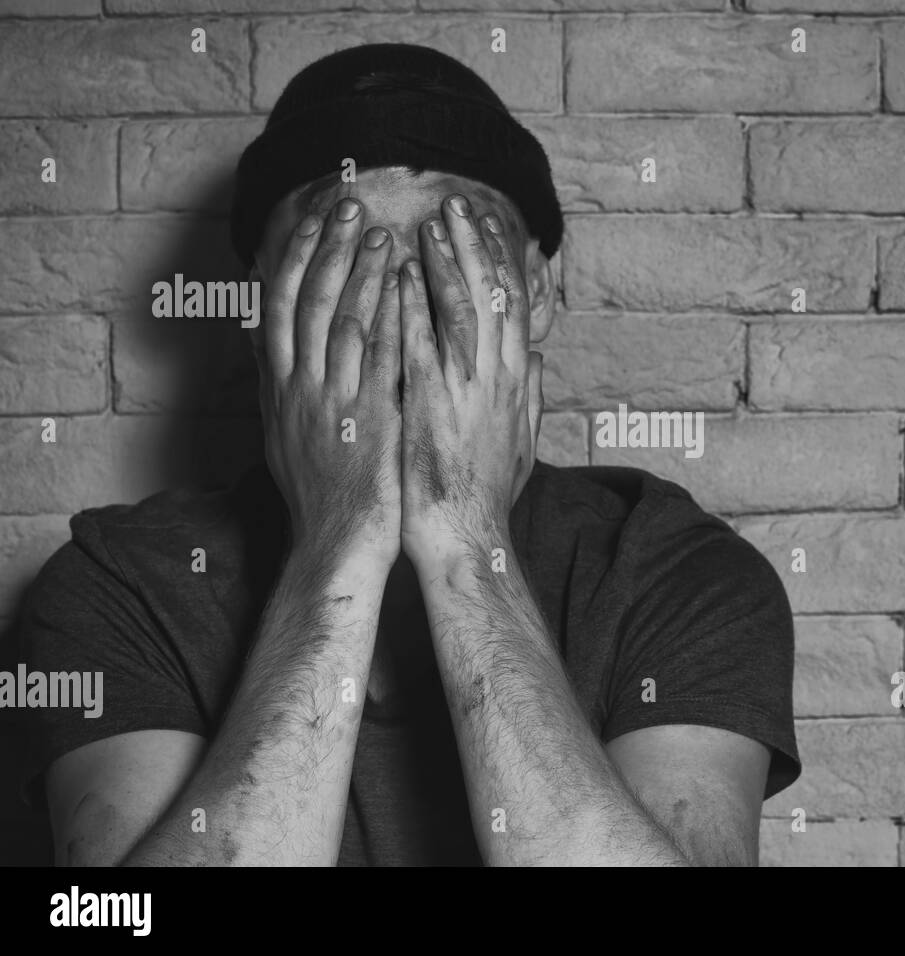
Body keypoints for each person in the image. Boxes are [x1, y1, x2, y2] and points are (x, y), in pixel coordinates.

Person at [18, 43, 800, 866]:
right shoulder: (116, 585)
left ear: (535, 293)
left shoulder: (675, 573)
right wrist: (338, 538)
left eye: (450, 247)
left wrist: (465, 531)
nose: (398, 301)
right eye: (342, 250)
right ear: (262, 302)